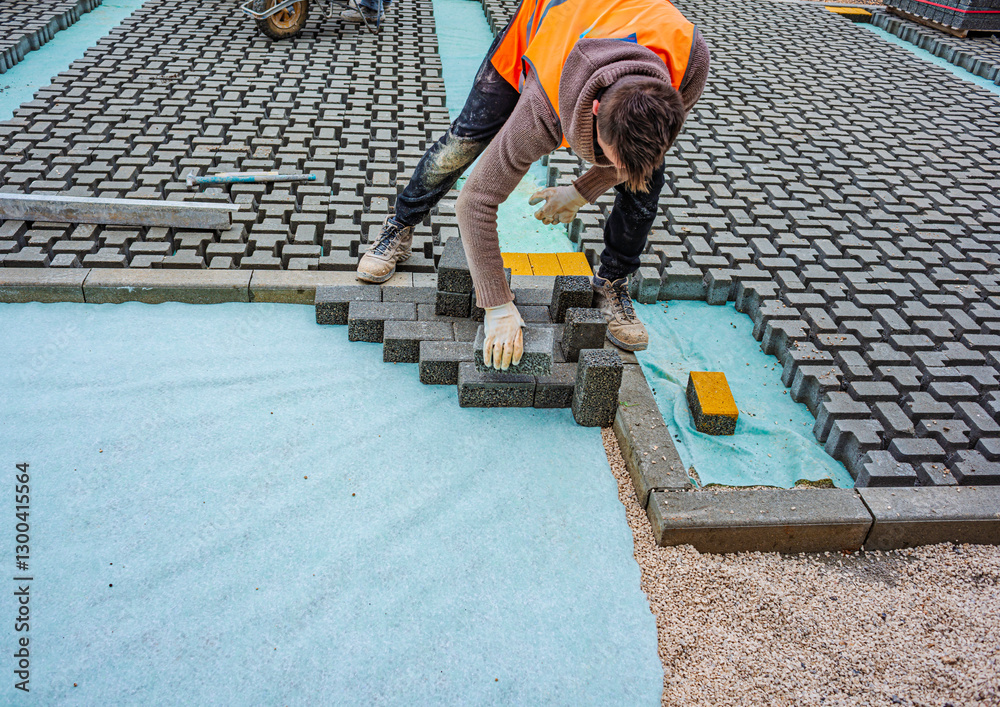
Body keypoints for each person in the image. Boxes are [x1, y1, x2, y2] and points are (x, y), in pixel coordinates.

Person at [357, 0, 710, 369]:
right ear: (594, 109)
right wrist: (497, 305)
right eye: (609, 157)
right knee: (463, 143)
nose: (613, 169)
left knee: (645, 182)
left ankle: (613, 281)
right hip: (545, 26)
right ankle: (400, 224)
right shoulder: (544, 104)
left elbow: (634, 159)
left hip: (623, 18)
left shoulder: (689, 61)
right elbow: (475, 201)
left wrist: (580, 191)